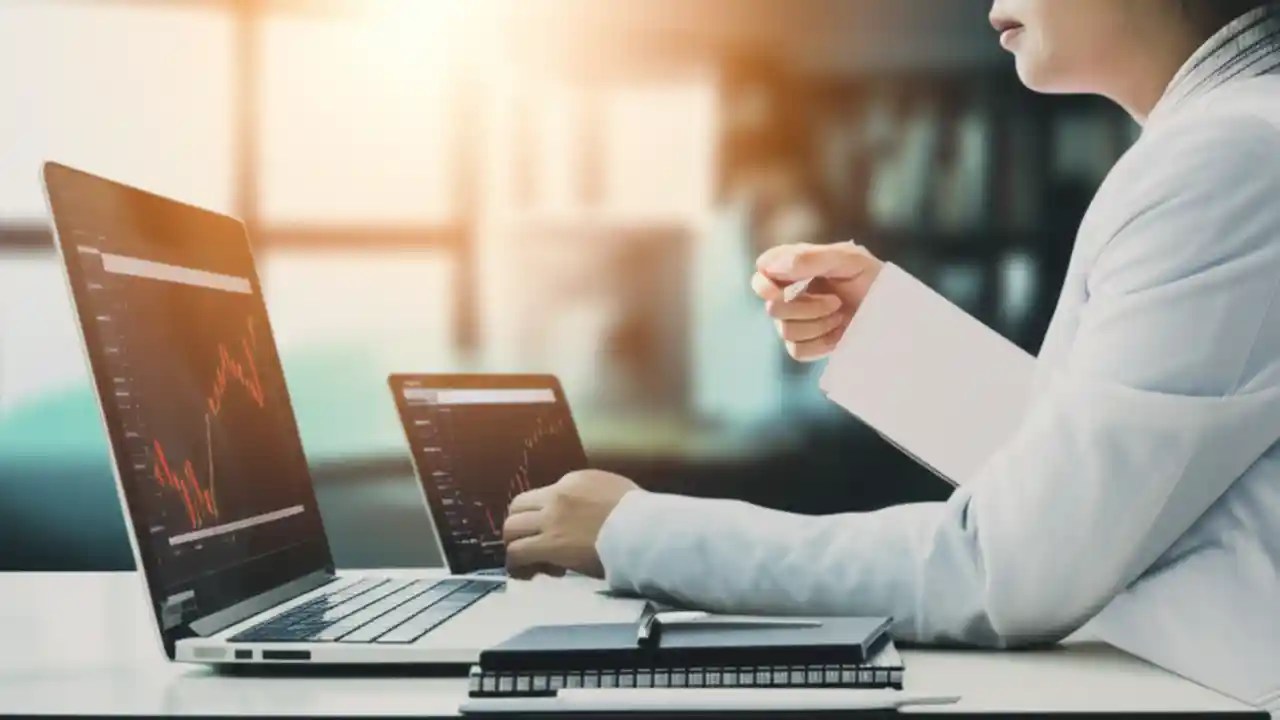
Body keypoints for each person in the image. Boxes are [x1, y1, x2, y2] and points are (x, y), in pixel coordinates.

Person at [502, 1, 1280, 713]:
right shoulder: (1227, 139)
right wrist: (894, 344)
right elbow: (1106, 492)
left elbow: (1009, 566)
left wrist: (637, 531)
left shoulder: (1228, 156)